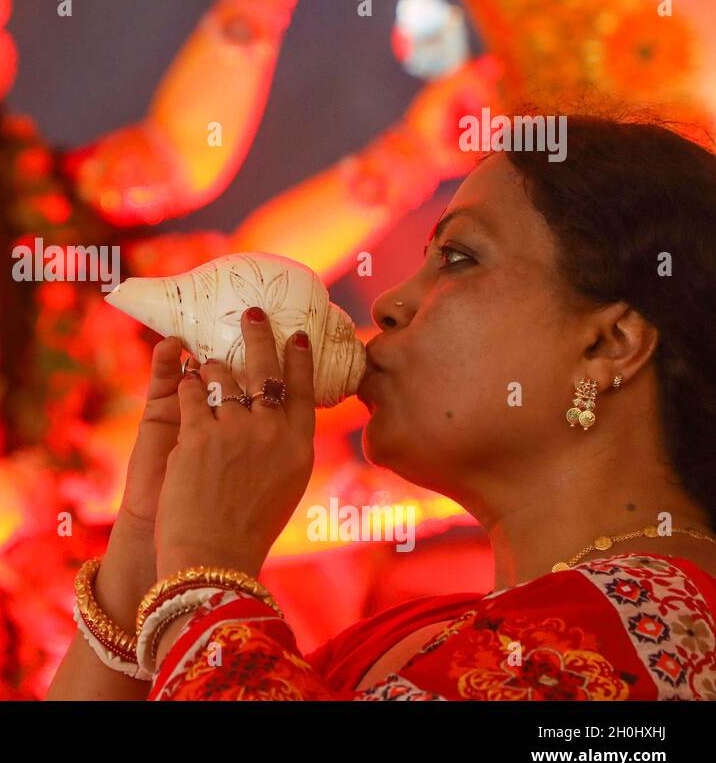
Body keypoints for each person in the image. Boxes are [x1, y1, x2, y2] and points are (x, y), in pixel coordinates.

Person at [48, 115, 716, 700]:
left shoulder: (659, 632)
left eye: (456, 258)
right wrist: (145, 547)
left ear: (609, 343)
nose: (388, 304)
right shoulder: (409, 637)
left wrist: (207, 570)